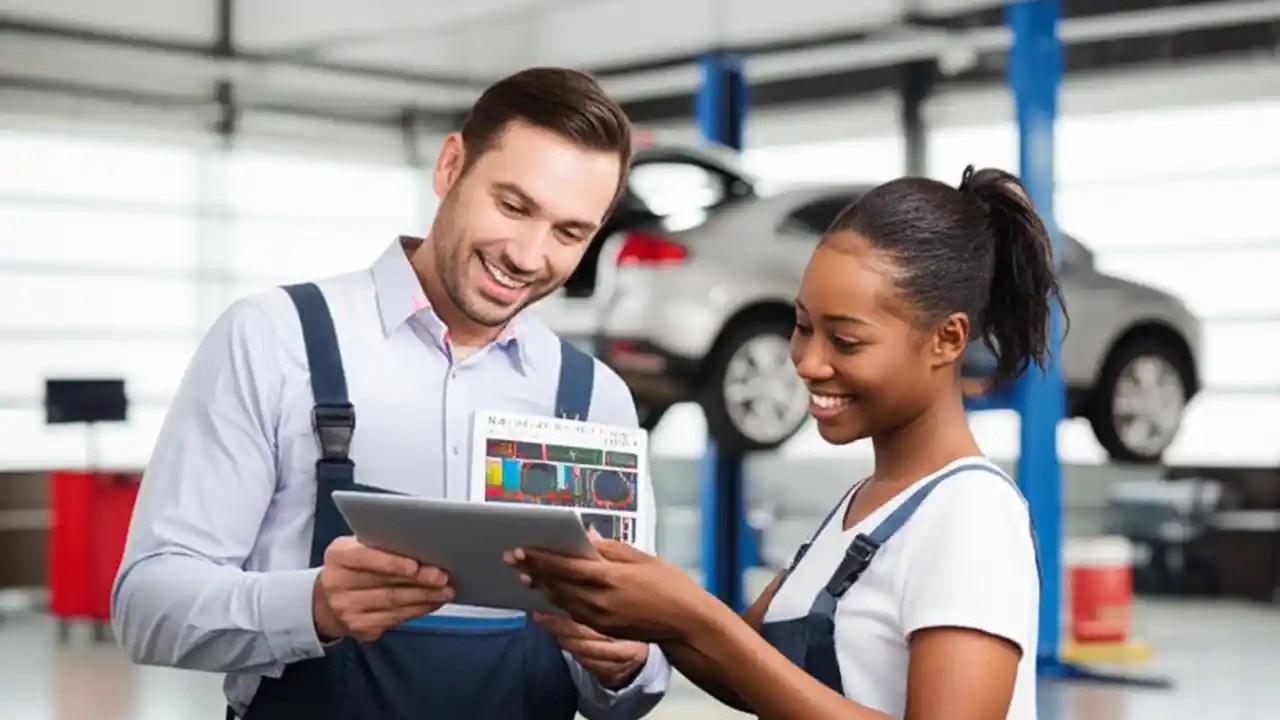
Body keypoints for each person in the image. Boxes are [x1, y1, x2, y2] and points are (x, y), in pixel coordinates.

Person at [111, 67, 671, 720]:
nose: (527, 254)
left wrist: (627, 662)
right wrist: (312, 606)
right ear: (450, 165)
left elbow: (632, 678)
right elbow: (146, 607)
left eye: (568, 233)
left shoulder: (593, 398)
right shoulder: (275, 340)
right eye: (513, 207)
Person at [510, 166, 1062, 720]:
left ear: (947, 339)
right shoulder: (865, 506)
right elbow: (746, 668)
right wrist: (627, 599)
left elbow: (728, 644)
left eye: (846, 340)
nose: (808, 362)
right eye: (802, 327)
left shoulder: (970, 514)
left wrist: (692, 612)